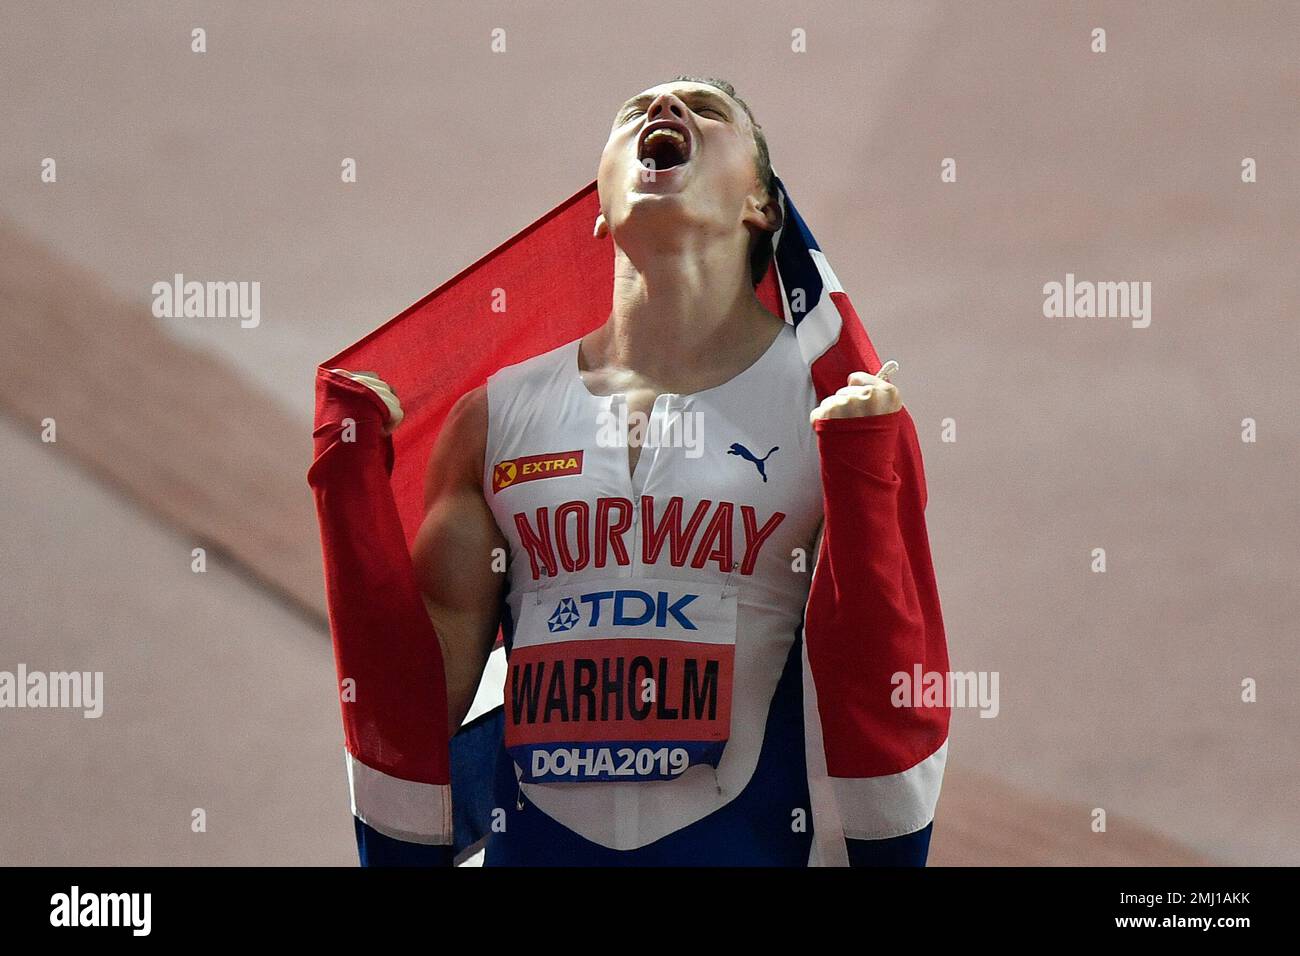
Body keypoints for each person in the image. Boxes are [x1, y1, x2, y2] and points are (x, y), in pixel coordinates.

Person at [334, 75, 946, 865]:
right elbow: (418, 707)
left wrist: (868, 467)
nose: (664, 113)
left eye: (707, 110)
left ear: (762, 204)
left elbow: (886, 665)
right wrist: (346, 496)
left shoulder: (830, 413)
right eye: (636, 113)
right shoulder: (493, 421)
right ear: (599, 206)